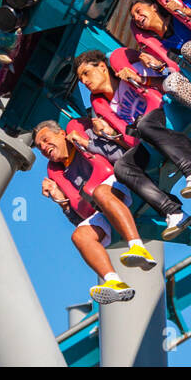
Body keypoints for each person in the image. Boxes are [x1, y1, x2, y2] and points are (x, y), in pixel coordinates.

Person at [73, 48, 191, 240]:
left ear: (103, 68)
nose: (84, 81)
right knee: (122, 167)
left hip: (167, 114)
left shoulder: (131, 70)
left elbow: (172, 80)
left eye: (86, 73)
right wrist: (112, 135)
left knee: (145, 124)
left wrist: (143, 77)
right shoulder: (101, 110)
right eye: (81, 79)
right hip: (146, 138)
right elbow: (127, 141)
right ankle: (173, 212)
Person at [33, 120, 157, 305]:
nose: (43, 147)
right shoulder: (60, 173)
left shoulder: (87, 134)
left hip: (124, 177)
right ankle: (115, 283)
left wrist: (88, 143)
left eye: (45, 139)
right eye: (39, 147)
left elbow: (121, 154)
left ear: (60, 133)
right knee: (79, 235)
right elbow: (80, 218)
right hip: (104, 203)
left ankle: (138, 247)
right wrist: (61, 201)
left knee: (100, 192)